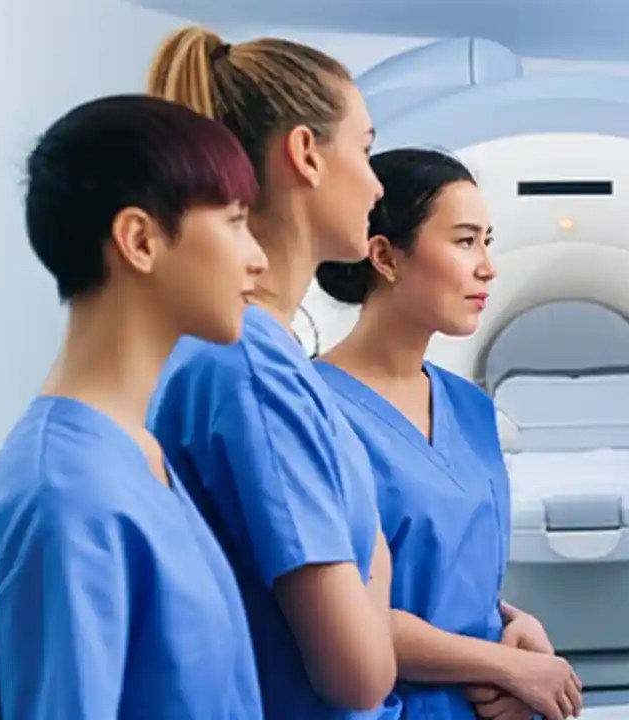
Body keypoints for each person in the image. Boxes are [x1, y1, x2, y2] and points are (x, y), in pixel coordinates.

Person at [0, 94, 268, 718]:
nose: (256, 255)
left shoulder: (135, 452)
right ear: (139, 240)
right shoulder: (68, 500)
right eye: (234, 221)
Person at [145, 26, 401, 719]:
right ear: (306, 155)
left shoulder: (262, 351)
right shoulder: (251, 365)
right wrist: (376, 550)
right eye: (367, 149)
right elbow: (358, 676)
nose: (378, 184)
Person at [314, 148, 584, 720]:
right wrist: (501, 665)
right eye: (465, 241)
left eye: (489, 241)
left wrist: (513, 627)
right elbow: (340, 614)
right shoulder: (316, 411)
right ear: (385, 257)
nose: (488, 266)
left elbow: (455, 582)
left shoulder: (472, 409)